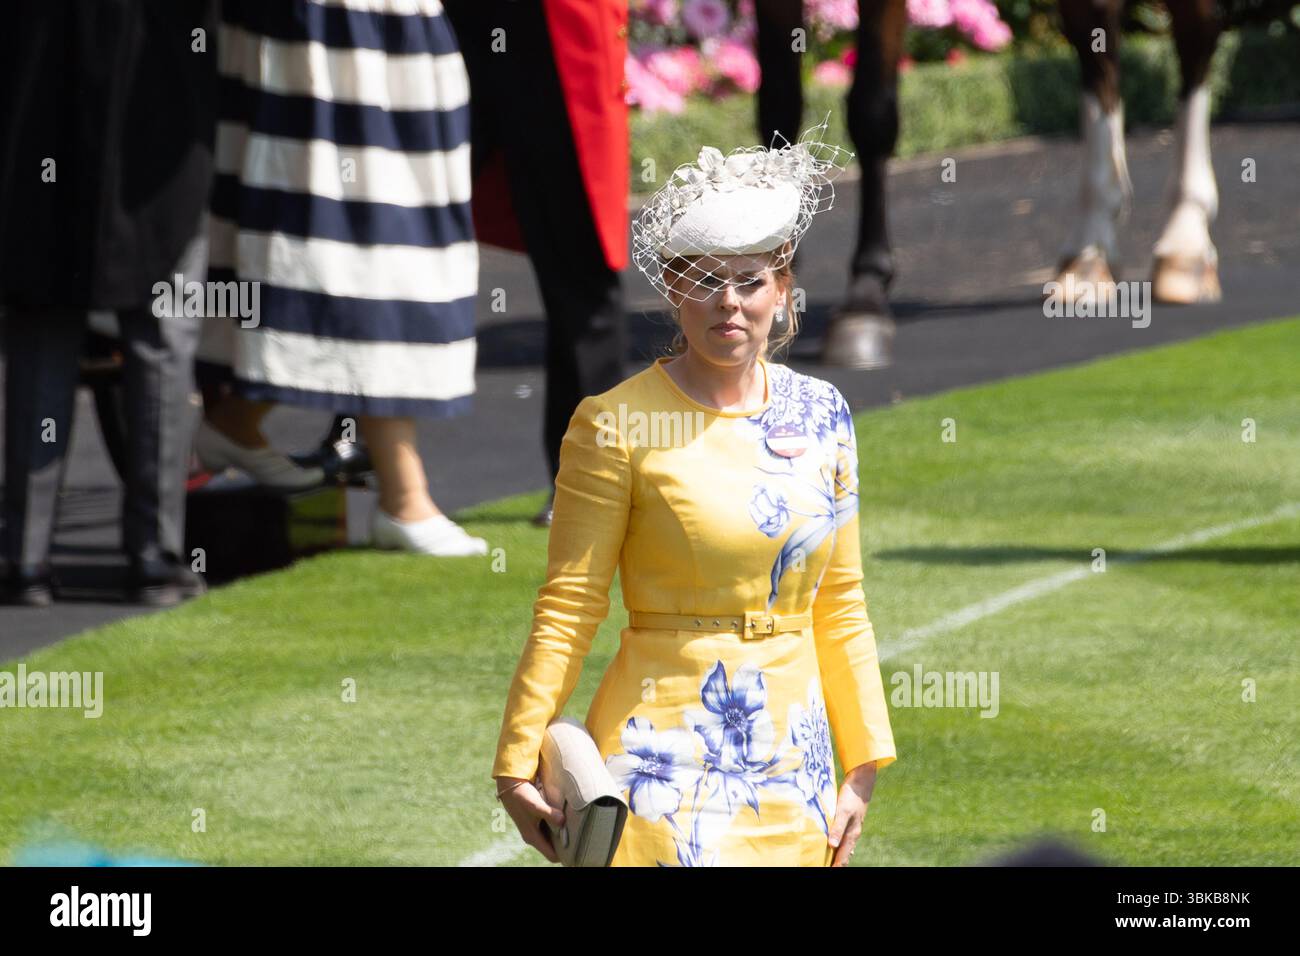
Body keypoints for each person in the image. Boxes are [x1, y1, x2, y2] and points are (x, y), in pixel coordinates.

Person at [491, 119, 898, 866]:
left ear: (783, 285)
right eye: (705, 281)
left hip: (794, 765)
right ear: (674, 287)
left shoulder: (826, 414)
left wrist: (862, 765)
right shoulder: (611, 424)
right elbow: (571, 603)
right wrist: (517, 758)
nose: (728, 304)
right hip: (657, 764)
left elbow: (841, 600)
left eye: (749, 281)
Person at [194, 0, 487, 556]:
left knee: (385, 241)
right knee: (358, 241)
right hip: (328, 29)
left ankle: (239, 421)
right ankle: (404, 495)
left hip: (385, 28)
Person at [1, 0, 216, 606]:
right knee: (162, 326)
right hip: (158, 94)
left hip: (39, 79)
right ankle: (154, 554)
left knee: (43, 316)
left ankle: (24, 556)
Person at [443, 0, 630, 528]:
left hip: (546, 25)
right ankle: (364, 450)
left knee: (579, 256)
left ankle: (588, 477)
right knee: (397, 212)